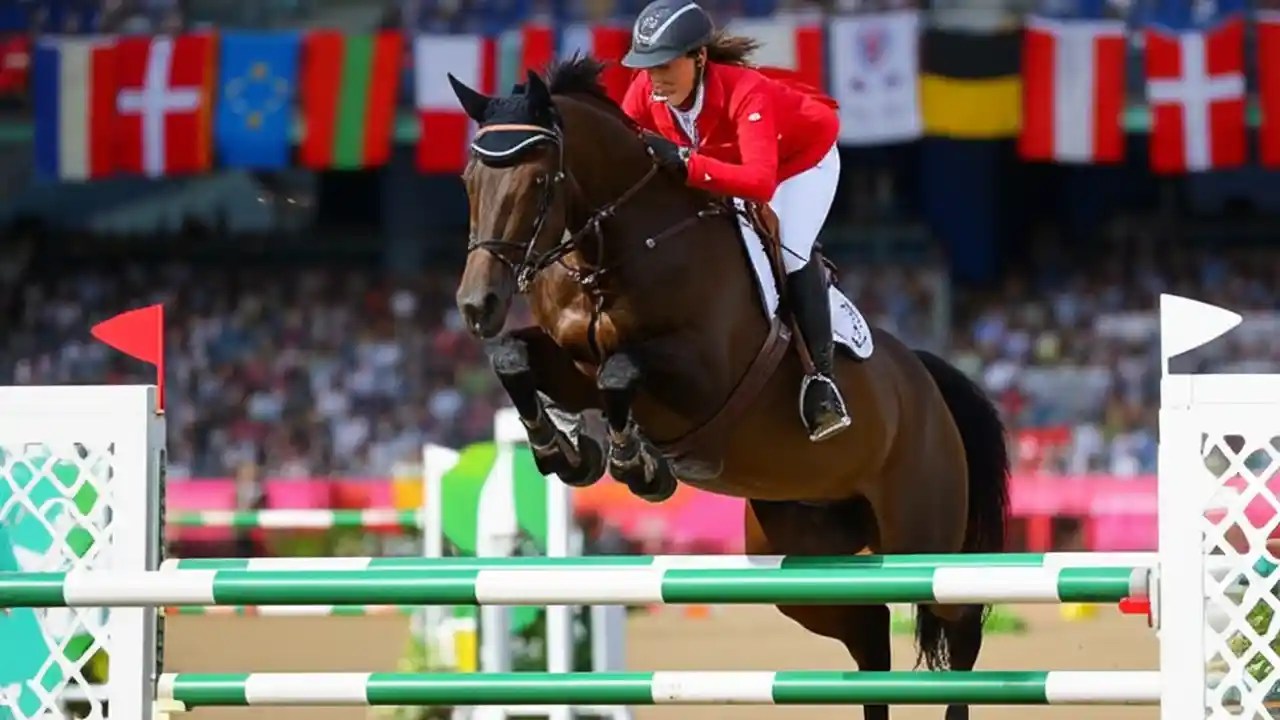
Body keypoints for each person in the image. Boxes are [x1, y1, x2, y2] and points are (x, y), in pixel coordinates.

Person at [619, 0, 851, 442]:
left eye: (665, 65)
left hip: (802, 164)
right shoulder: (645, 93)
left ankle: (820, 381)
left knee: (789, 249)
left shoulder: (745, 91)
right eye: (647, 67)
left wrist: (685, 163)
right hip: (725, 165)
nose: (654, 78)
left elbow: (760, 183)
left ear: (699, 57)